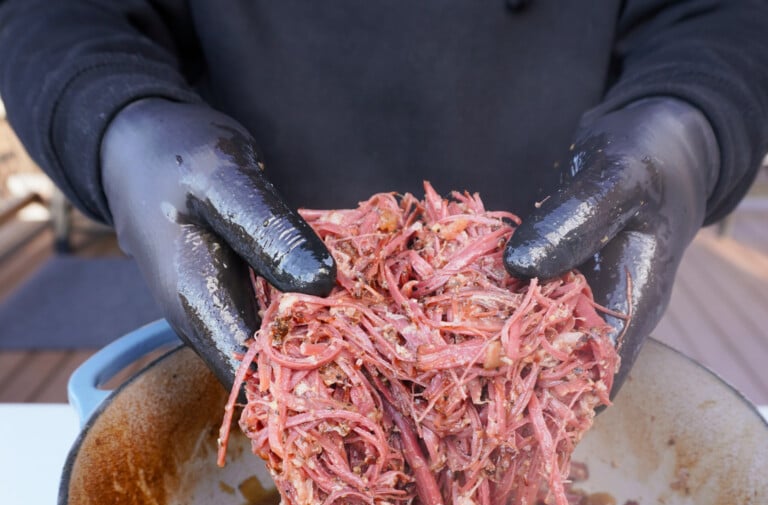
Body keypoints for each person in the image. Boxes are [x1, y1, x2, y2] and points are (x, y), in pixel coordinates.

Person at [0, 0, 766, 390]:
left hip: (550, 306)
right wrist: (117, 121)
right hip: (247, 290)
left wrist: (691, 120)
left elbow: (725, 17)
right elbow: (61, 14)